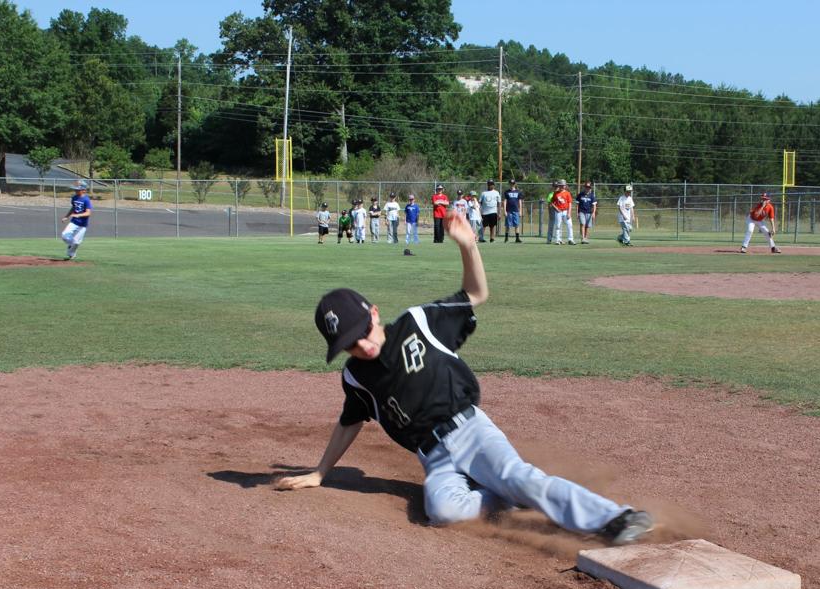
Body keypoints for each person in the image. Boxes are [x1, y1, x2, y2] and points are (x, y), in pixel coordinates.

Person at [276, 209, 655, 546]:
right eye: (350, 344)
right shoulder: (356, 377)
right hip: (434, 457)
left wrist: (469, 246)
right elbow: (348, 423)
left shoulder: (419, 323)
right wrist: (320, 472)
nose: (361, 345)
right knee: (441, 511)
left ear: (374, 313)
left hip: (471, 431)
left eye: (362, 332)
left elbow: (476, 292)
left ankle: (613, 517)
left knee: (520, 477)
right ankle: (502, 497)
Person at [60, 180, 92, 260]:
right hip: (74, 222)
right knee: (64, 235)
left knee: (77, 242)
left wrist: (78, 215)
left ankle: (71, 254)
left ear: (83, 190)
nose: (75, 190)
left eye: (78, 189)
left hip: (83, 225)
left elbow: (88, 213)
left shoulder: (86, 200)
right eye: (75, 189)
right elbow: (73, 208)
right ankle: (71, 244)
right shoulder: (74, 198)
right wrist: (66, 216)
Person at [551, 179, 575, 245]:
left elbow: (570, 203)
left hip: (566, 211)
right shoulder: (556, 193)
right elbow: (552, 203)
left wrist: (569, 213)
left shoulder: (567, 193)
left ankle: (570, 239)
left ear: (565, 186)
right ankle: (558, 240)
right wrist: (556, 208)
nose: (562, 187)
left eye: (563, 185)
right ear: (559, 186)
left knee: (569, 225)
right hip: (558, 212)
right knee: (558, 226)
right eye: (561, 185)